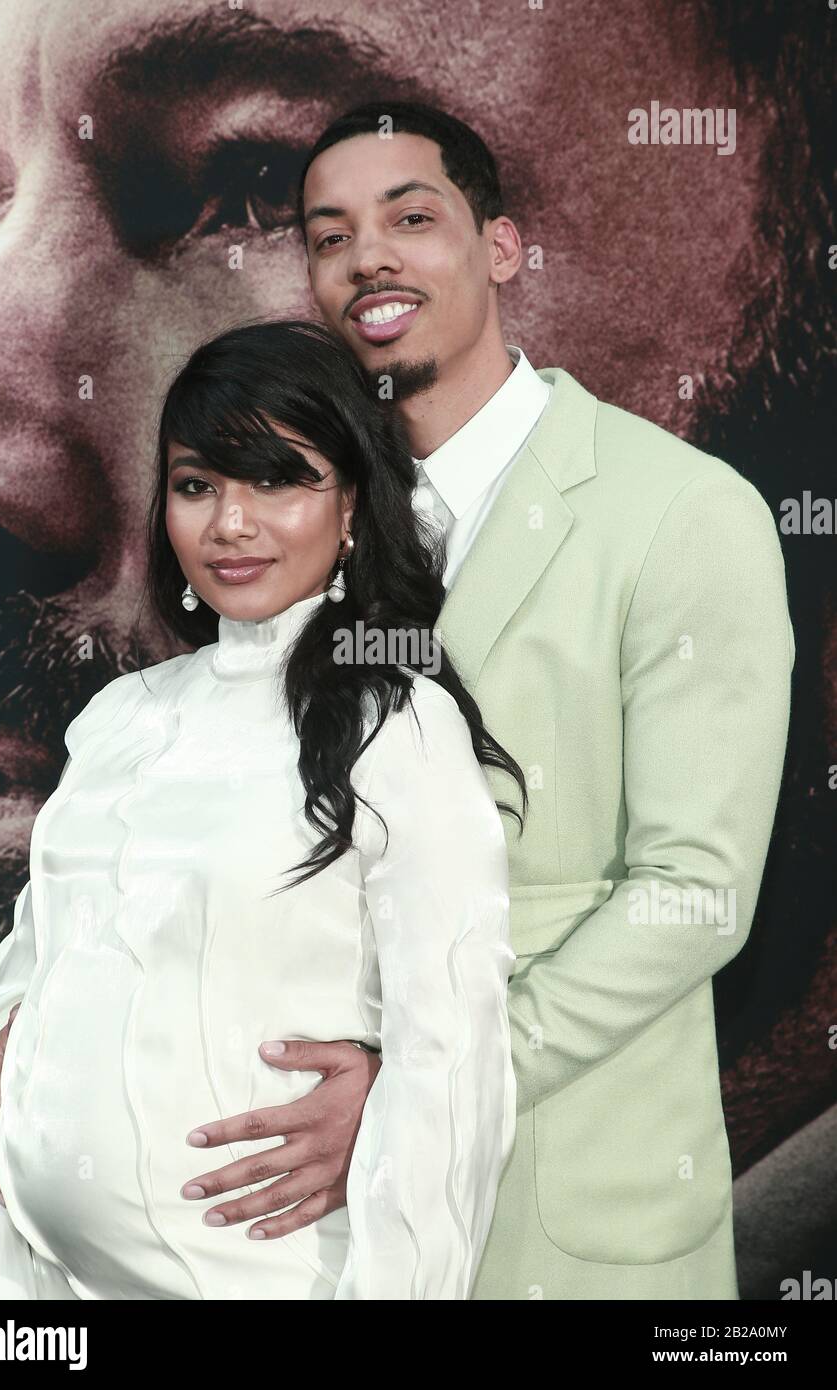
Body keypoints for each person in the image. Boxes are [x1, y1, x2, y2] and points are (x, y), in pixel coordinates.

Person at [126, 100, 793, 1301]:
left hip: (563, 1213)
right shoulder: (293, 528)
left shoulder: (683, 513)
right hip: (306, 1234)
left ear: (500, 247)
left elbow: (695, 891)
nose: (366, 256)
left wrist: (421, 1080)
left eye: (412, 217)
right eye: (328, 236)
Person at [0, 318, 523, 1300]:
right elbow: (26, 981)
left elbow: (449, 1064)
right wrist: (7, 1049)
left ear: (352, 510)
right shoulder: (123, 715)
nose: (230, 524)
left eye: (277, 480)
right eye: (198, 484)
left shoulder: (397, 720)